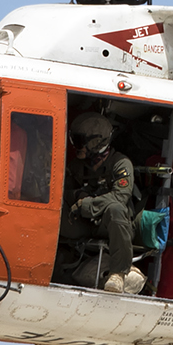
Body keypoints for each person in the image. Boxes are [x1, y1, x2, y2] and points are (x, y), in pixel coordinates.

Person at [60, 112, 144, 294]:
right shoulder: (76, 166)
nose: (76, 146)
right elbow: (64, 192)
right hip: (83, 222)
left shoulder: (120, 163)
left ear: (95, 142)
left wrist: (88, 205)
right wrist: (78, 195)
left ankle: (118, 274)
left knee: (115, 209)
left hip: (110, 225)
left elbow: (120, 196)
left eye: (80, 142)